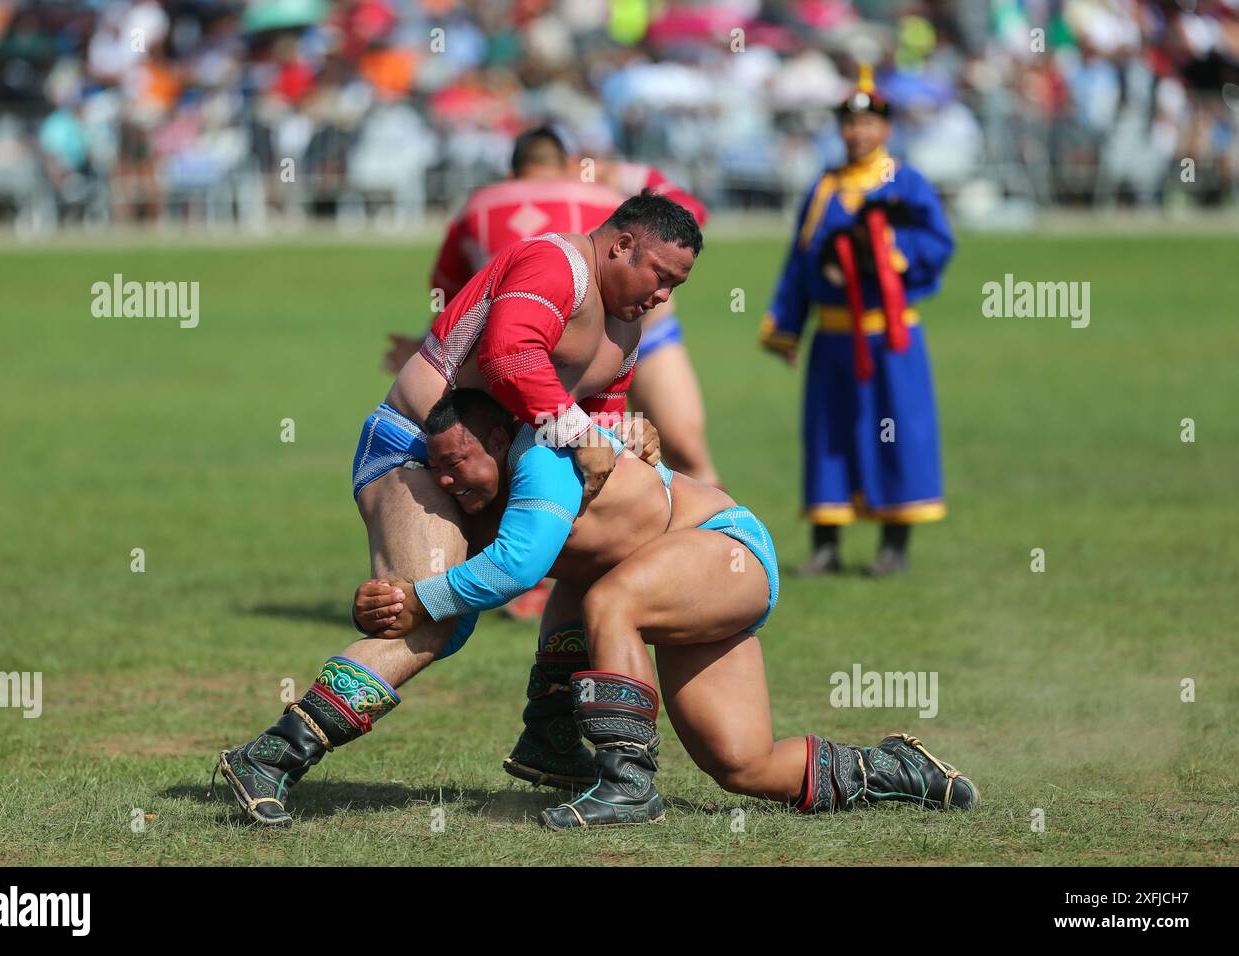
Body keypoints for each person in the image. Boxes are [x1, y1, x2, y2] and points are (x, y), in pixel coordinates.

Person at [212, 193, 702, 827]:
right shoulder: (557, 265)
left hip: (496, 466)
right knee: (433, 618)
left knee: (595, 559)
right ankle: (272, 754)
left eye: (675, 285)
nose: (662, 294)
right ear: (621, 245)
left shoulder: (624, 323)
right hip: (417, 451)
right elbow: (509, 356)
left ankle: (549, 733)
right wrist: (580, 433)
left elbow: (600, 410)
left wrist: (626, 435)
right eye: (658, 275)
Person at [355, 389, 979, 828]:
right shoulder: (479, 492)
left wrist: (419, 598)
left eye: (455, 462)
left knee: (609, 598)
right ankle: (898, 770)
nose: (444, 481)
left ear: (498, 437)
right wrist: (389, 605)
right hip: (681, 584)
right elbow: (468, 598)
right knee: (744, 764)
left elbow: (515, 569)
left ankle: (628, 787)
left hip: (725, 551)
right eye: (433, 469)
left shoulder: (541, 458)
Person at [386, 126, 722, 488]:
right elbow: (688, 217)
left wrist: (424, 344)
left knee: (512, 472)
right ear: (568, 166)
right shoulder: (605, 197)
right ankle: (712, 525)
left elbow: (451, 294)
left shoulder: (478, 206)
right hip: (635, 336)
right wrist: (618, 172)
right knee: (685, 459)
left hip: (544, 357)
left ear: (511, 174)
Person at [761, 68, 955, 576]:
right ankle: (826, 544)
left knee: (898, 432)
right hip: (834, 335)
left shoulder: (905, 182)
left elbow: (939, 243)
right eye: (850, 124)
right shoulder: (823, 188)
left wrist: (890, 250)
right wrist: (787, 327)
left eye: (869, 123)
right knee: (829, 434)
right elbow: (799, 264)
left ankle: (895, 543)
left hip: (890, 335)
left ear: (885, 129)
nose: (859, 133)